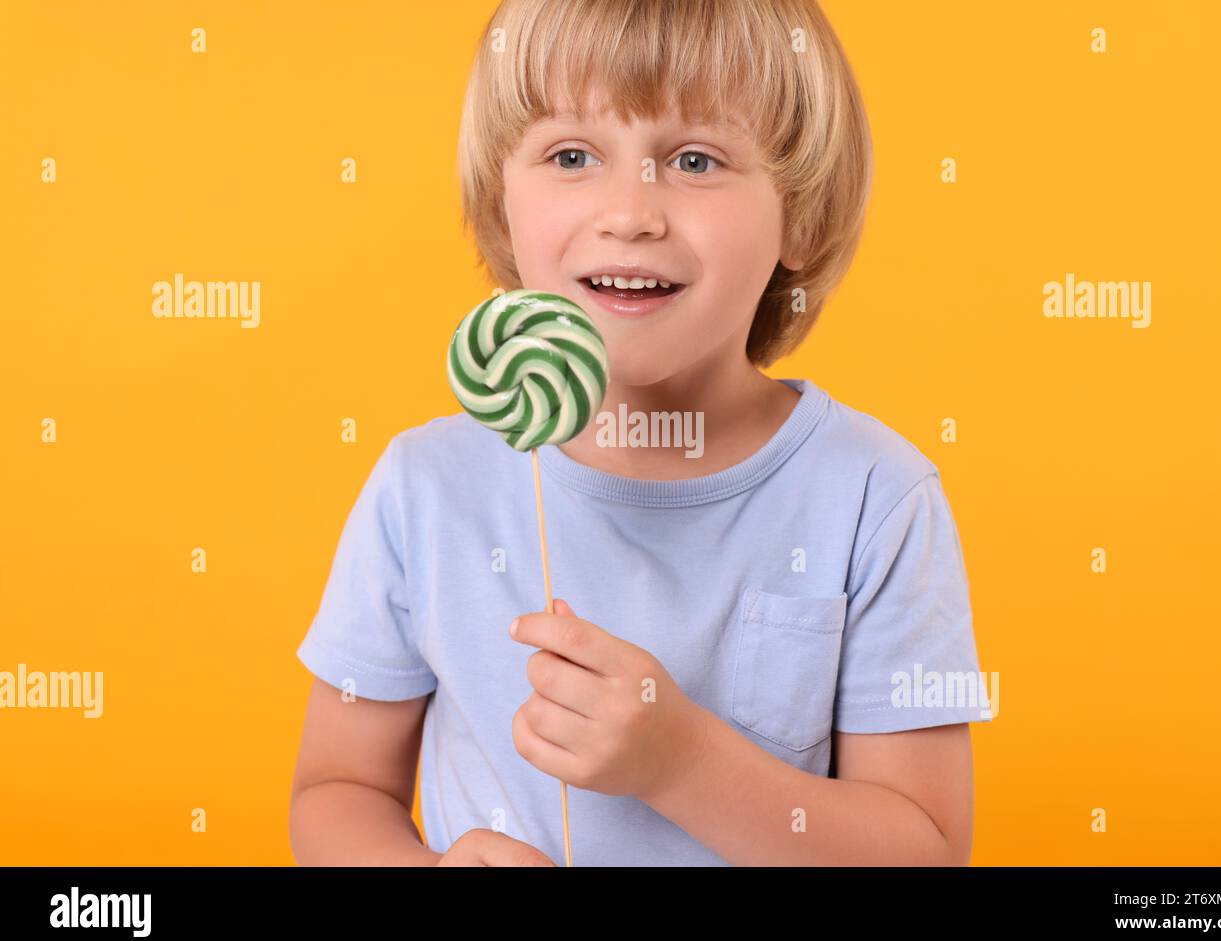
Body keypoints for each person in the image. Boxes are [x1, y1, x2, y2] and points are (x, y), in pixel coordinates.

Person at [290, 0, 992, 867]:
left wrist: (680, 761)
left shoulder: (875, 499)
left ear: (800, 218)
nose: (630, 212)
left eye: (696, 159)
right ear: (504, 202)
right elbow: (336, 791)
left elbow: (930, 851)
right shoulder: (426, 489)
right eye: (572, 155)